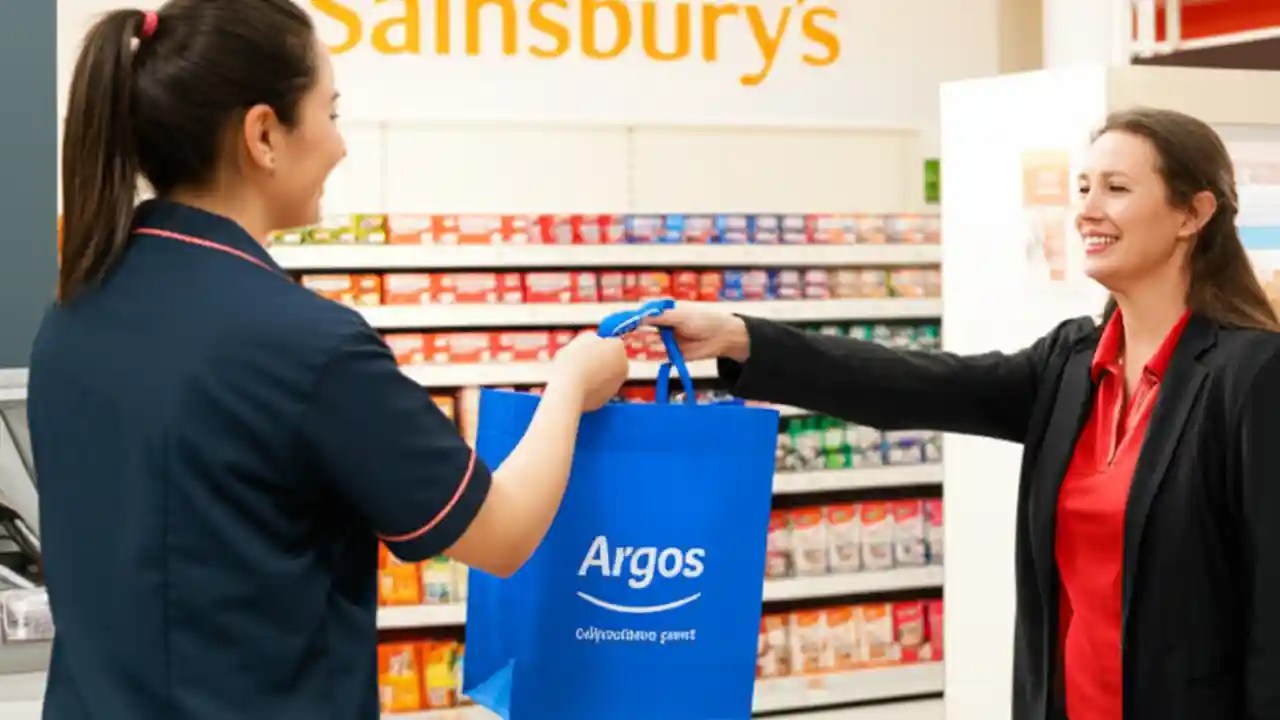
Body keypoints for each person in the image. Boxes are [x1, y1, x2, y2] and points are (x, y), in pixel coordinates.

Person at [30, 2, 628, 718]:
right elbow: (500, 533)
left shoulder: (72, 315)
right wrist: (570, 382)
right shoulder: (307, 347)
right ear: (264, 135)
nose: (341, 145)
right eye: (331, 112)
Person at [655, 107, 1280, 720]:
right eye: (1084, 187)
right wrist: (741, 338)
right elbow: (917, 384)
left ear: (1193, 214)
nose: (1087, 209)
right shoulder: (1071, 364)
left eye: (1117, 189)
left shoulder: (1249, 375)